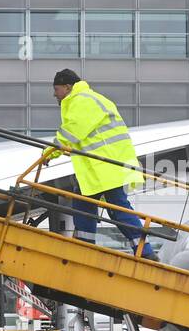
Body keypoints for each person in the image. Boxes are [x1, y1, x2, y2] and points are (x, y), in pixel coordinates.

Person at [43, 69, 156, 259]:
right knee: (85, 204)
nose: (55, 94)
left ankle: (145, 251)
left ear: (67, 86)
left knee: (117, 208)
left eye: (56, 89)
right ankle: (85, 246)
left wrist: (48, 153)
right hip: (101, 166)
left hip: (105, 167)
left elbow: (71, 133)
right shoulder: (90, 98)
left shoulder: (82, 100)